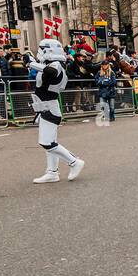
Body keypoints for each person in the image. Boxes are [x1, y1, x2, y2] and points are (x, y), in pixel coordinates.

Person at [30, 38, 85, 184]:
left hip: (50, 108)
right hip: (45, 108)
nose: (39, 52)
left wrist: (31, 63)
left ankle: (74, 162)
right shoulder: (51, 65)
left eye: (41, 49)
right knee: (50, 142)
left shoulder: (56, 66)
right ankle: (52, 172)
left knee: (47, 143)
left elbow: (51, 71)